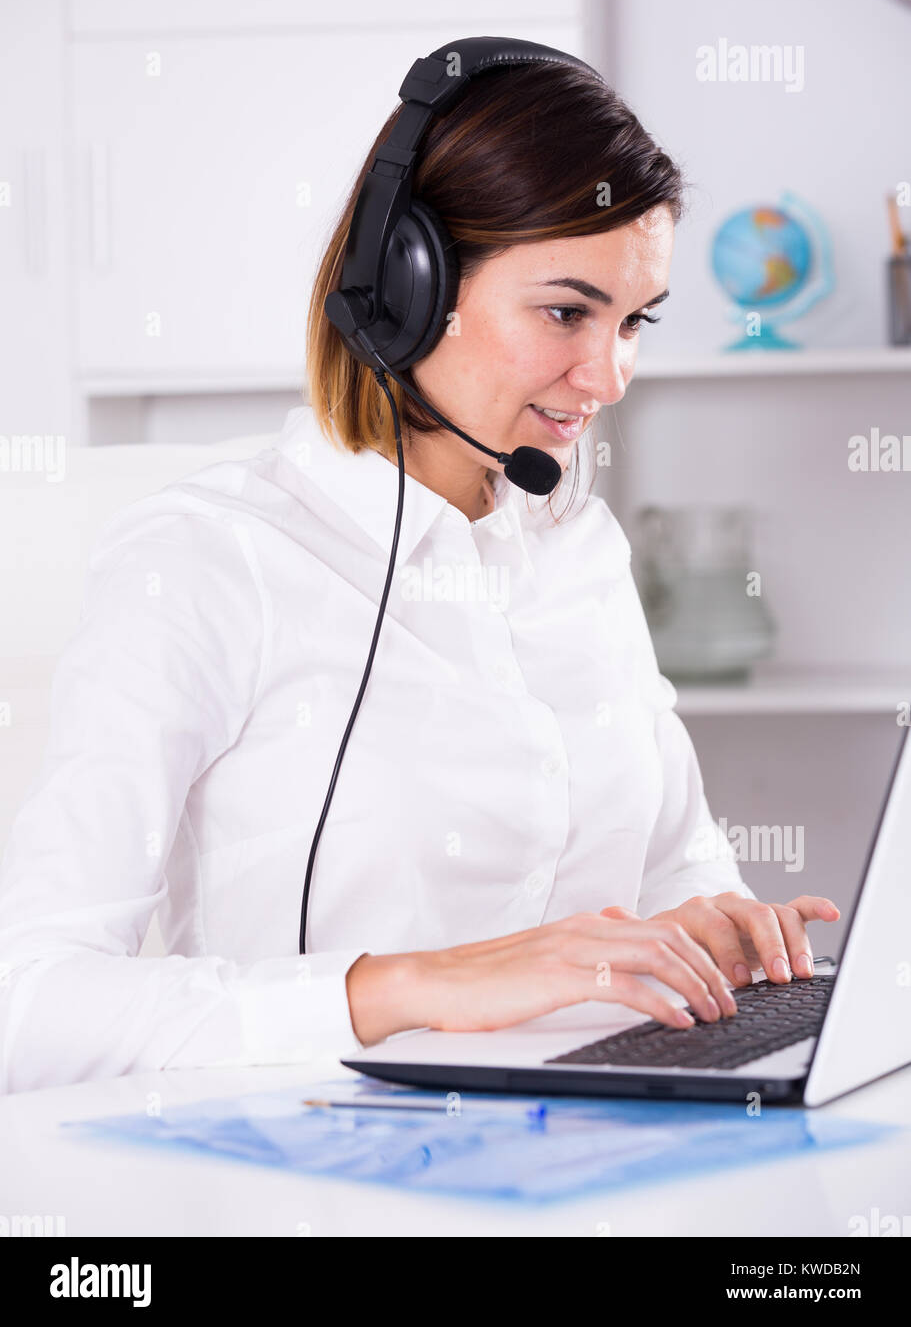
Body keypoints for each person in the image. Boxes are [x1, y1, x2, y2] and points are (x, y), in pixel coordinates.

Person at [0, 55, 838, 1093]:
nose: (609, 375)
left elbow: (676, 858)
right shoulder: (209, 561)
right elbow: (27, 1004)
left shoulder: (578, 547)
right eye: (566, 313)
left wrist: (712, 916)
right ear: (404, 286)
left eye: (633, 322)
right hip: (318, 1165)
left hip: (606, 1141)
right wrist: (409, 985)